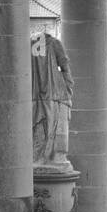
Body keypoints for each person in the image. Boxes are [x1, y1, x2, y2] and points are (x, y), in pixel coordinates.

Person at [30, 27, 73, 165]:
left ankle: (38, 158)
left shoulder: (27, 45)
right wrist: (69, 85)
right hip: (56, 92)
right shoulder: (54, 43)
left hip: (33, 94)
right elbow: (64, 64)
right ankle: (56, 158)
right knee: (58, 125)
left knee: (38, 126)